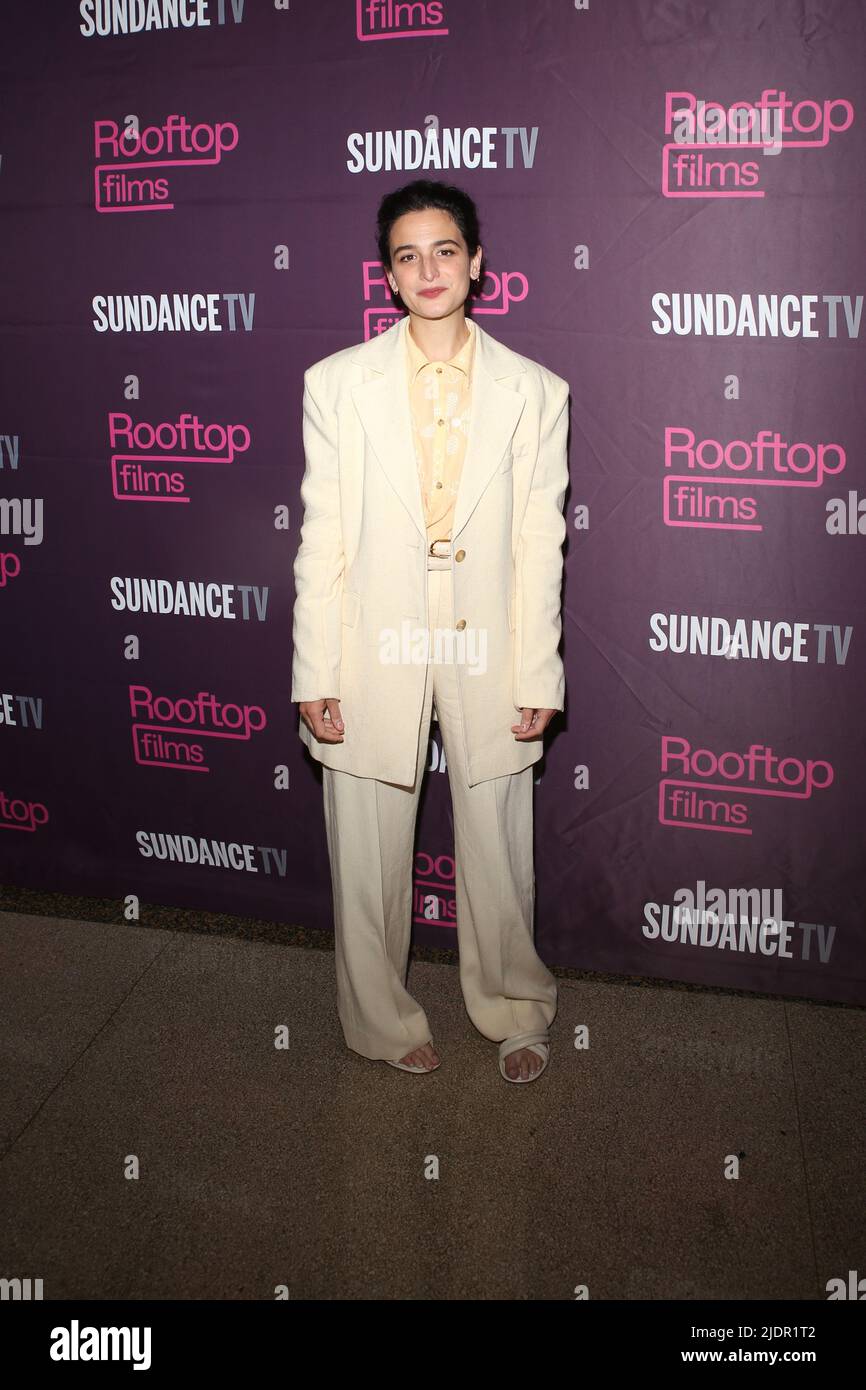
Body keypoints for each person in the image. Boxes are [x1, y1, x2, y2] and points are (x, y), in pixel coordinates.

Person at [291, 178, 570, 1083]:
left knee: (497, 839)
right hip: (373, 639)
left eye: (445, 249)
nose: (429, 268)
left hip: (487, 638)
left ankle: (516, 1008)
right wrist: (315, 669)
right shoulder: (336, 384)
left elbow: (540, 545)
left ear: (477, 262)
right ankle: (378, 1017)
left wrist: (537, 675)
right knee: (366, 842)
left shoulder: (535, 391)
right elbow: (323, 536)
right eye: (407, 254)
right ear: (389, 273)